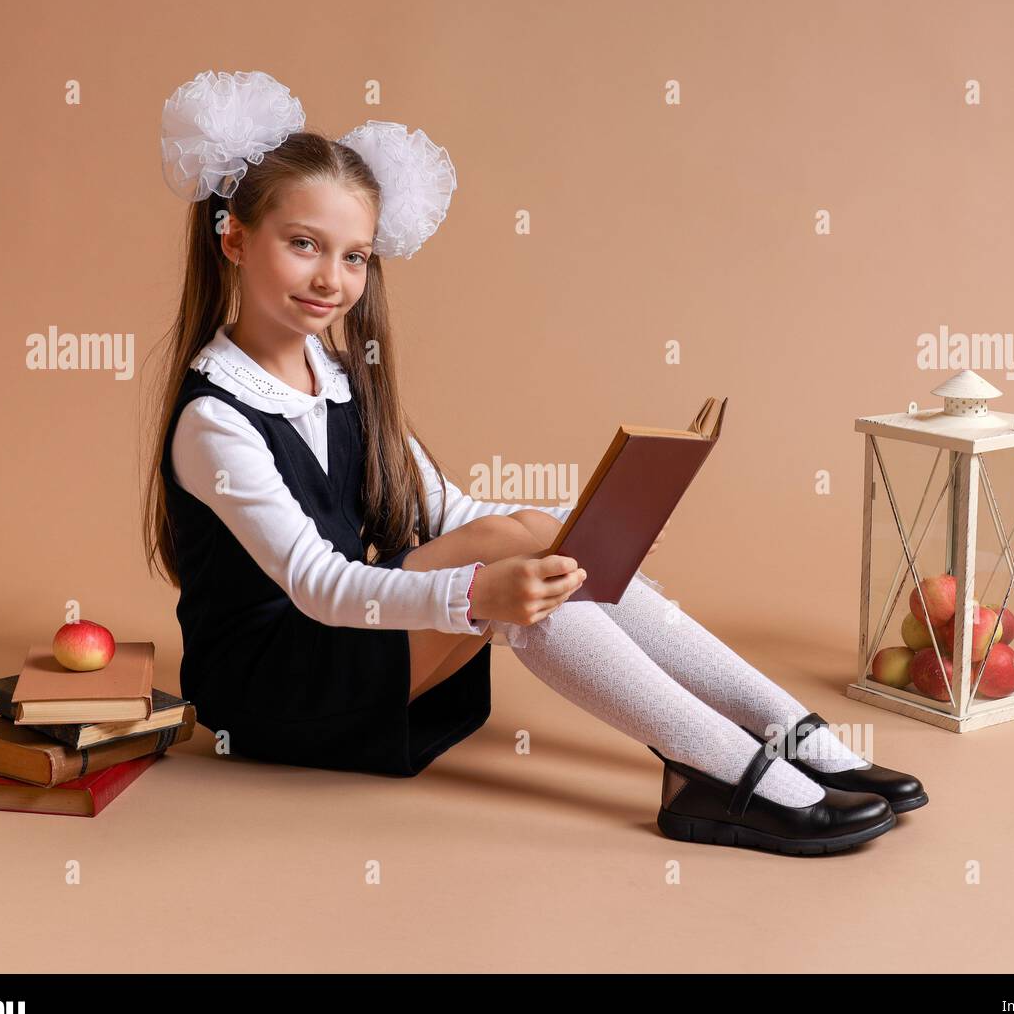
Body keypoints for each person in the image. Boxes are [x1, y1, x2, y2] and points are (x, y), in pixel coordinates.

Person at [142, 70, 926, 856]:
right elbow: (320, 585)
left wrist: (579, 540)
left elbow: (448, 511)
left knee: (530, 534)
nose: (331, 280)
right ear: (235, 238)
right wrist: (481, 591)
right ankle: (725, 767)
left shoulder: (342, 380)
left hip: (347, 647)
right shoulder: (216, 418)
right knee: (508, 557)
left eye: (354, 256)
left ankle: (784, 735)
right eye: (303, 244)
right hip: (270, 686)